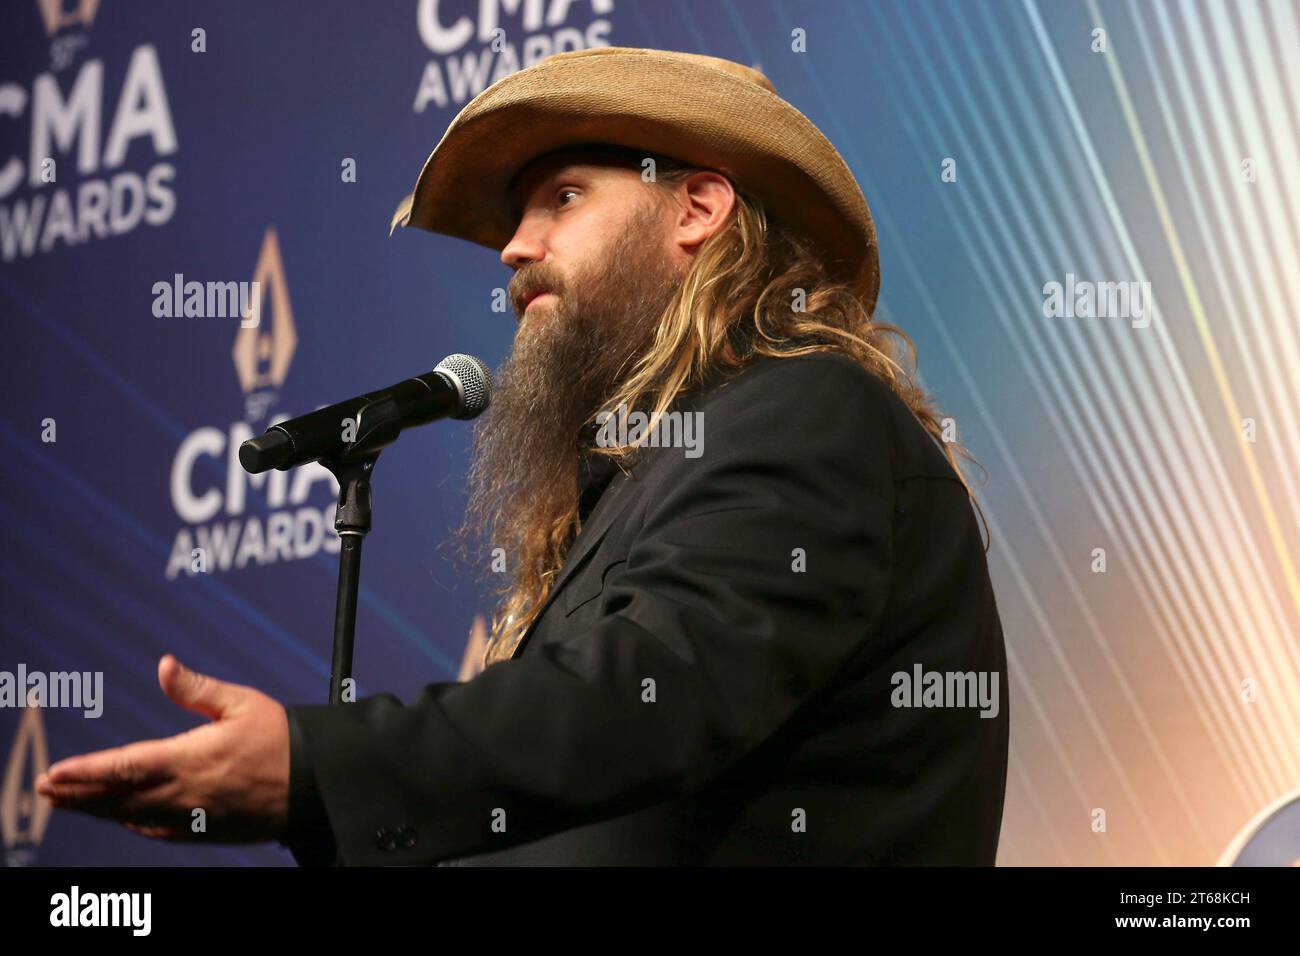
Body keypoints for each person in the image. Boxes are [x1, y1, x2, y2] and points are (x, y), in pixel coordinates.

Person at [36, 47, 1009, 865]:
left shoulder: (806, 409)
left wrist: (313, 766)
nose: (513, 244)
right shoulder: (656, 469)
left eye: (563, 196)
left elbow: (646, 695)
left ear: (697, 208)